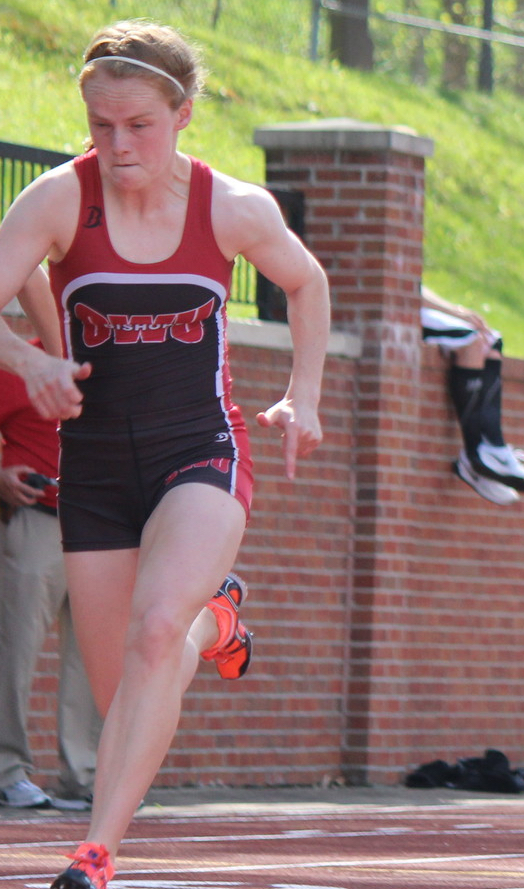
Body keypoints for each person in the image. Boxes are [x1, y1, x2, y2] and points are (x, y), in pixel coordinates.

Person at [0, 21, 330, 889]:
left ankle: (92, 852)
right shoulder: (56, 201)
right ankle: (216, 620)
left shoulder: (231, 207)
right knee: (126, 694)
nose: (116, 144)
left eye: (137, 124)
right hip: (96, 468)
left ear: (182, 114)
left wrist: (305, 390)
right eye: (100, 124)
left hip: (202, 453)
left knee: (153, 635)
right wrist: (30, 356)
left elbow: (307, 282)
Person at [0, 269, 99, 813]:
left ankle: (84, 776)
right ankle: (6, 771)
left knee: (93, 657)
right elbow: (29, 272)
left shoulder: (118, 367)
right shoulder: (20, 367)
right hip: (36, 522)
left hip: (102, 529)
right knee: (13, 651)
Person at [421, 285, 524, 505]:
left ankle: (492, 447)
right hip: (391, 309)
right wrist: (455, 311)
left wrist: (456, 310)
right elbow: (405, 286)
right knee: (471, 338)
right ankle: (477, 456)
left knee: (491, 340)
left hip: (414, 305)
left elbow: (413, 283)